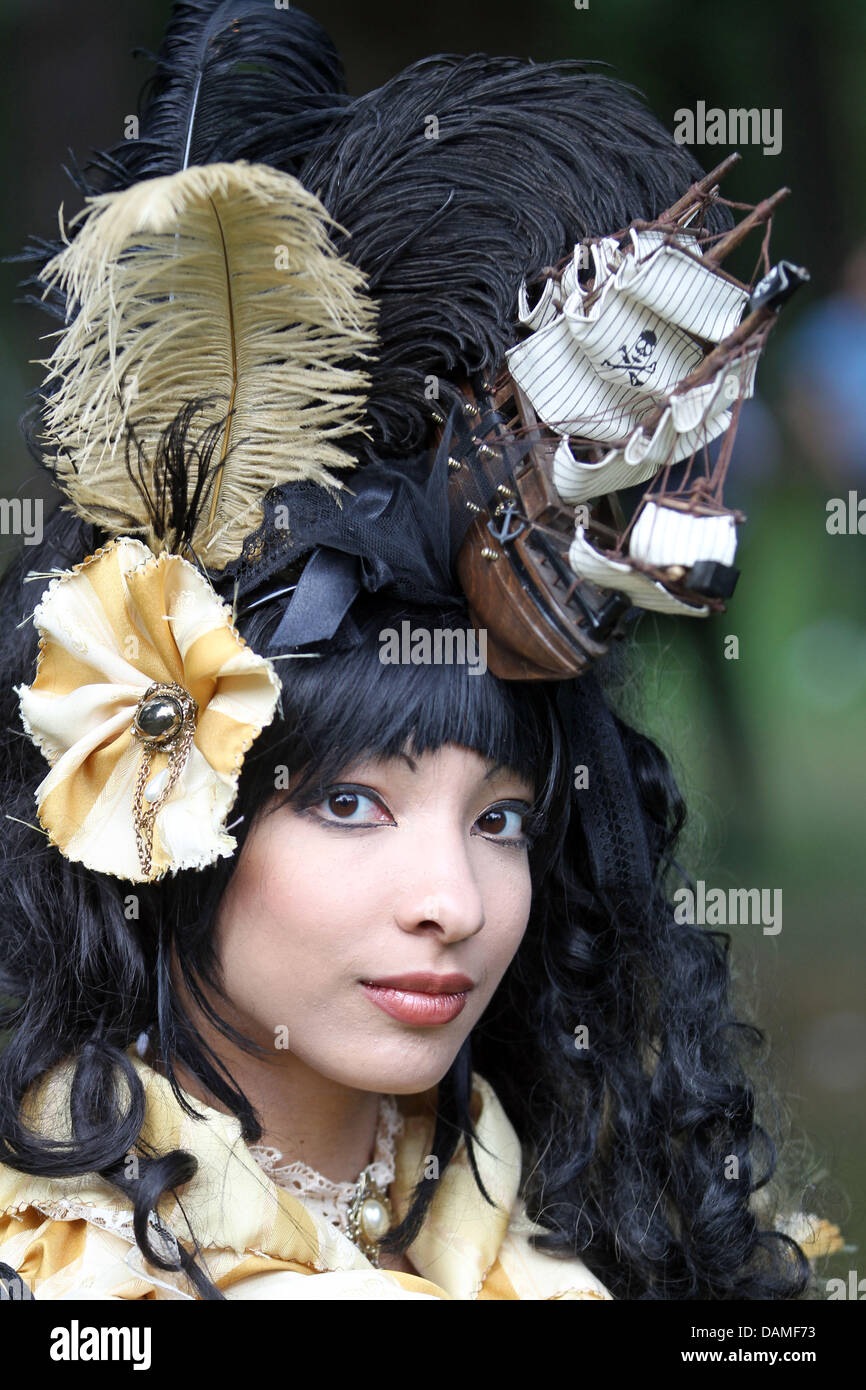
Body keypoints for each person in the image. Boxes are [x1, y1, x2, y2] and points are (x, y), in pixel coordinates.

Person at [0, 0, 841, 1301]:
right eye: (350, 803)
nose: (452, 899)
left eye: (501, 820)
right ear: (158, 798)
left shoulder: (603, 1226)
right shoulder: (51, 1267)